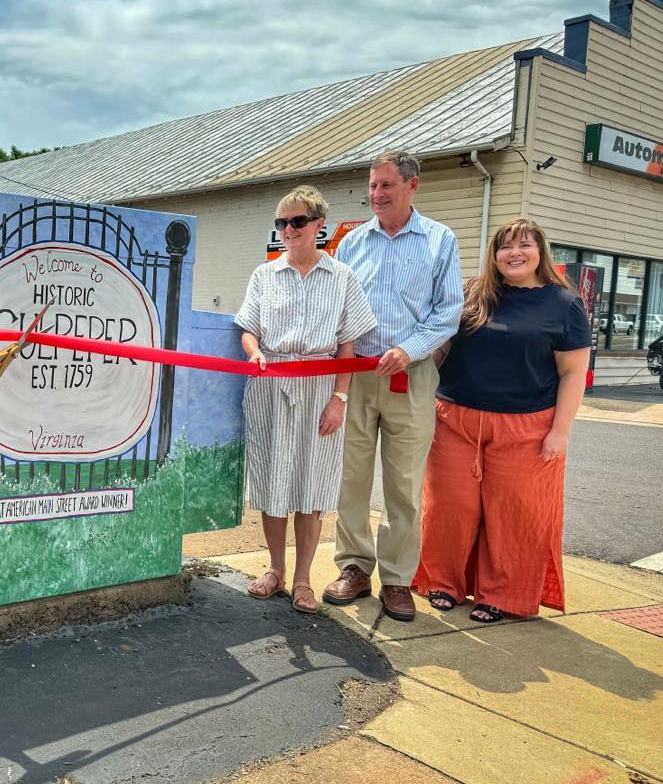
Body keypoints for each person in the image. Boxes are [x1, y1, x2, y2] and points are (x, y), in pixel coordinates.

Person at [413, 219, 591, 622]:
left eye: (524, 245)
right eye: (505, 247)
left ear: (539, 252)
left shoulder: (563, 303)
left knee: (512, 514)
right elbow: (437, 348)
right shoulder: (471, 294)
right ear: (493, 255)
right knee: (448, 506)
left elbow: (573, 373)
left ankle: (502, 595)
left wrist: (560, 432)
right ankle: (443, 582)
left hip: (526, 427)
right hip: (454, 420)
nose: (514, 253)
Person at [323, 150, 464, 621]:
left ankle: (398, 578)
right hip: (357, 376)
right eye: (372, 185)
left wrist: (409, 348)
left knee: (403, 483)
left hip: (412, 374)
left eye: (386, 185)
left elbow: (447, 312)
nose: (376, 194)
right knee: (351, 476)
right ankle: (355, 567)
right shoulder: (351, 243)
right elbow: (335, 308)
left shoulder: (439, 241)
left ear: (412, 186)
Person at [236, 186, 376, 612]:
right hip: (271, 384)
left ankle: (302, 580)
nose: (289, 230)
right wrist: (254, 351)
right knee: (273, 482)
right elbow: (248, 328)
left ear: (319, 225)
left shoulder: (343, 278)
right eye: (282, 223)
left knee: (311, 487)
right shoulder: (265, 275)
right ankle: (275, 570)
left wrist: (339, 399)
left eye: (297, 221)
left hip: (319, 387)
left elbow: (347, 347)